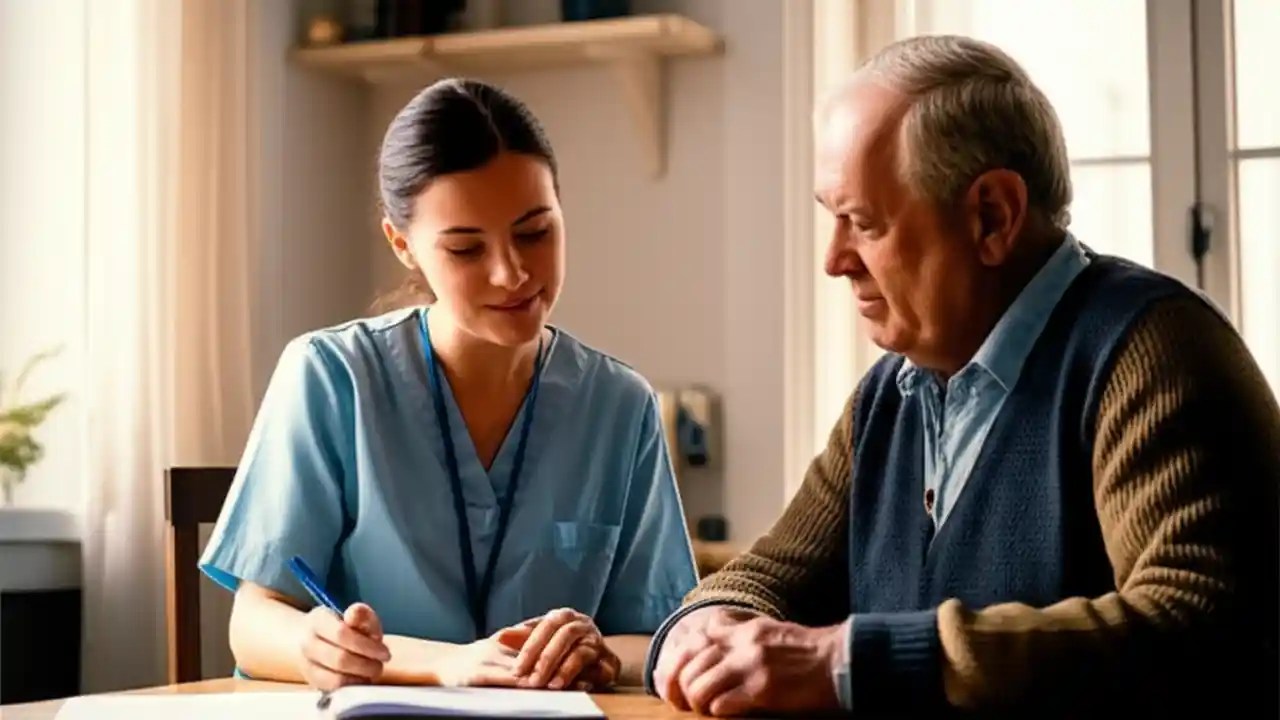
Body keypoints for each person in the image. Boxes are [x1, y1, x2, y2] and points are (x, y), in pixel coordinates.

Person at [644, 34, 1280, 717]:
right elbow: (766, 576)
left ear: (992, 216)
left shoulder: (1152, 352)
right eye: (832, 219)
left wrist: (849, 661)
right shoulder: (888, 395)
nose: (834, 260)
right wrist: (702, 630)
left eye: (863, 223)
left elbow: (1197, 626)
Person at [199, 78, 699, 693]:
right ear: (402, 245)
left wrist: (598, 654)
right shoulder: (331, 376)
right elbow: (254, 623)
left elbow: (657, 635)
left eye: (535, 233)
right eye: (465, 249)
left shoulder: (620, 405)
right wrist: (373, 654)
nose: (512, 273)